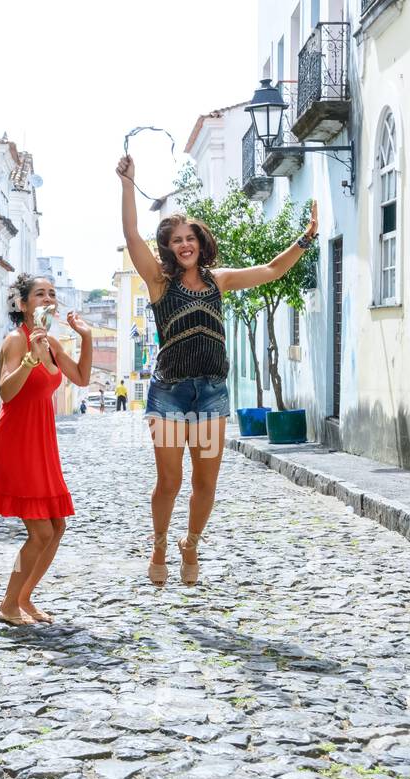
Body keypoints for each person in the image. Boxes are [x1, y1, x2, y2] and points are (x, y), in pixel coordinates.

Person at [117, 153, 318, 587]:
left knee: (205, 483)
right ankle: (158, 543)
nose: (184, 245)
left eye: (190, 237)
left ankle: (190, 544)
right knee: (169, 482)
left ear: (200, 242)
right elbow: (132, 234)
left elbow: (269, 270)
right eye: (176, 240)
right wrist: (128, 183)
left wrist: (305, 239)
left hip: (211, 395)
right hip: (169, 394)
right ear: (168, 248)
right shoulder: (158, 282)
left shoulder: (217, 281)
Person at [0, 274, 93, 625]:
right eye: (39, 294)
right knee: (41, 533)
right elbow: (6, 393)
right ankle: (9, 603)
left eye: (52, 294)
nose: (48, 299)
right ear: (23, 305)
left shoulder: (50, 341)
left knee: (58, 526)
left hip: (41, 445)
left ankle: (24, 597)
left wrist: (86, 337)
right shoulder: (14, 340)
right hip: (15, 445)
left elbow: (82, 378)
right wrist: (29, 362)